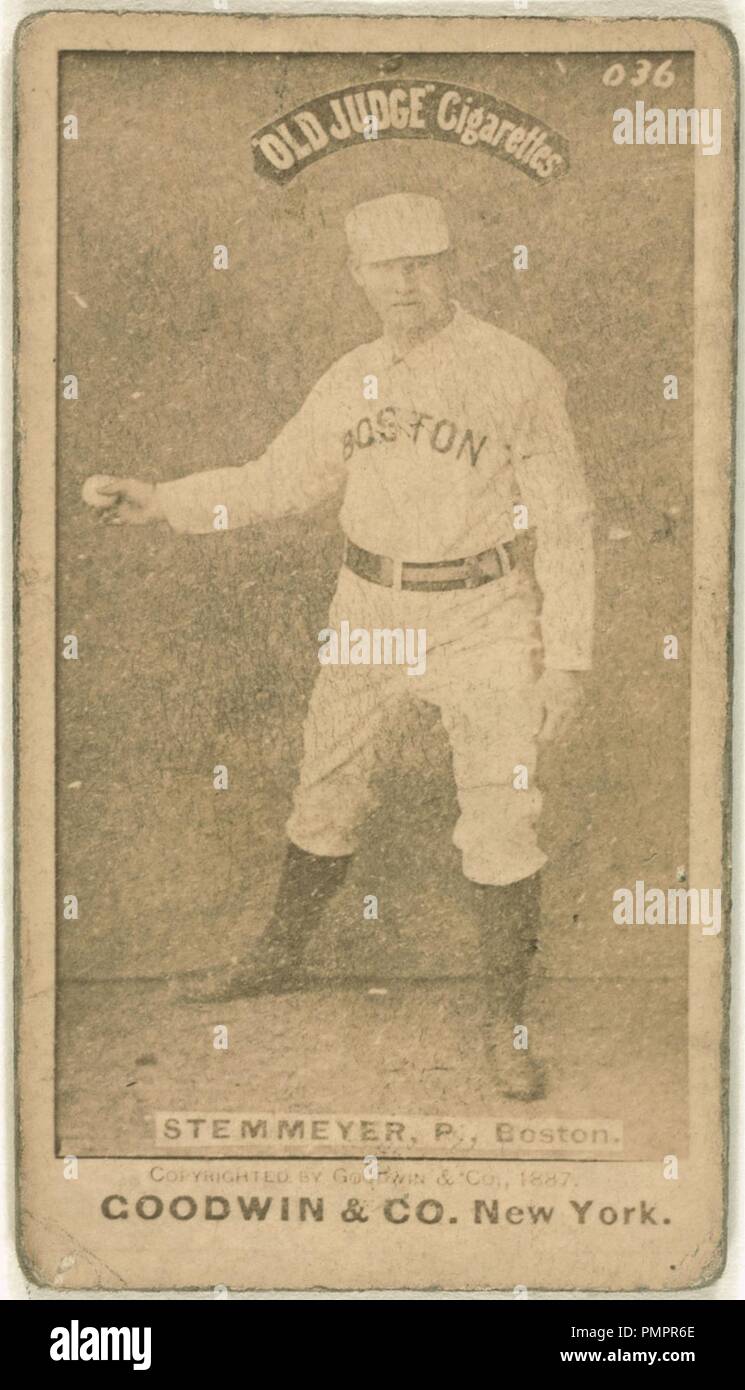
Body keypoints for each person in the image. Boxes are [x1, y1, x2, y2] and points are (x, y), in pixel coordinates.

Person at [84, 191, 594, 1100]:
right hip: (368, 604)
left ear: (449, 263)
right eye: (383, 266)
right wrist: (161, 500)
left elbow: (564, 520)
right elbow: (276, 481)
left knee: (501, 816)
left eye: (421, 262)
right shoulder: (349, 376)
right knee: (324, 789)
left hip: (480, 612)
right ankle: (279, 956)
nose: (403, 282)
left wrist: (567, 658)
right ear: (358, 276)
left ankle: (506, 1021)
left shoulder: (516, 371)